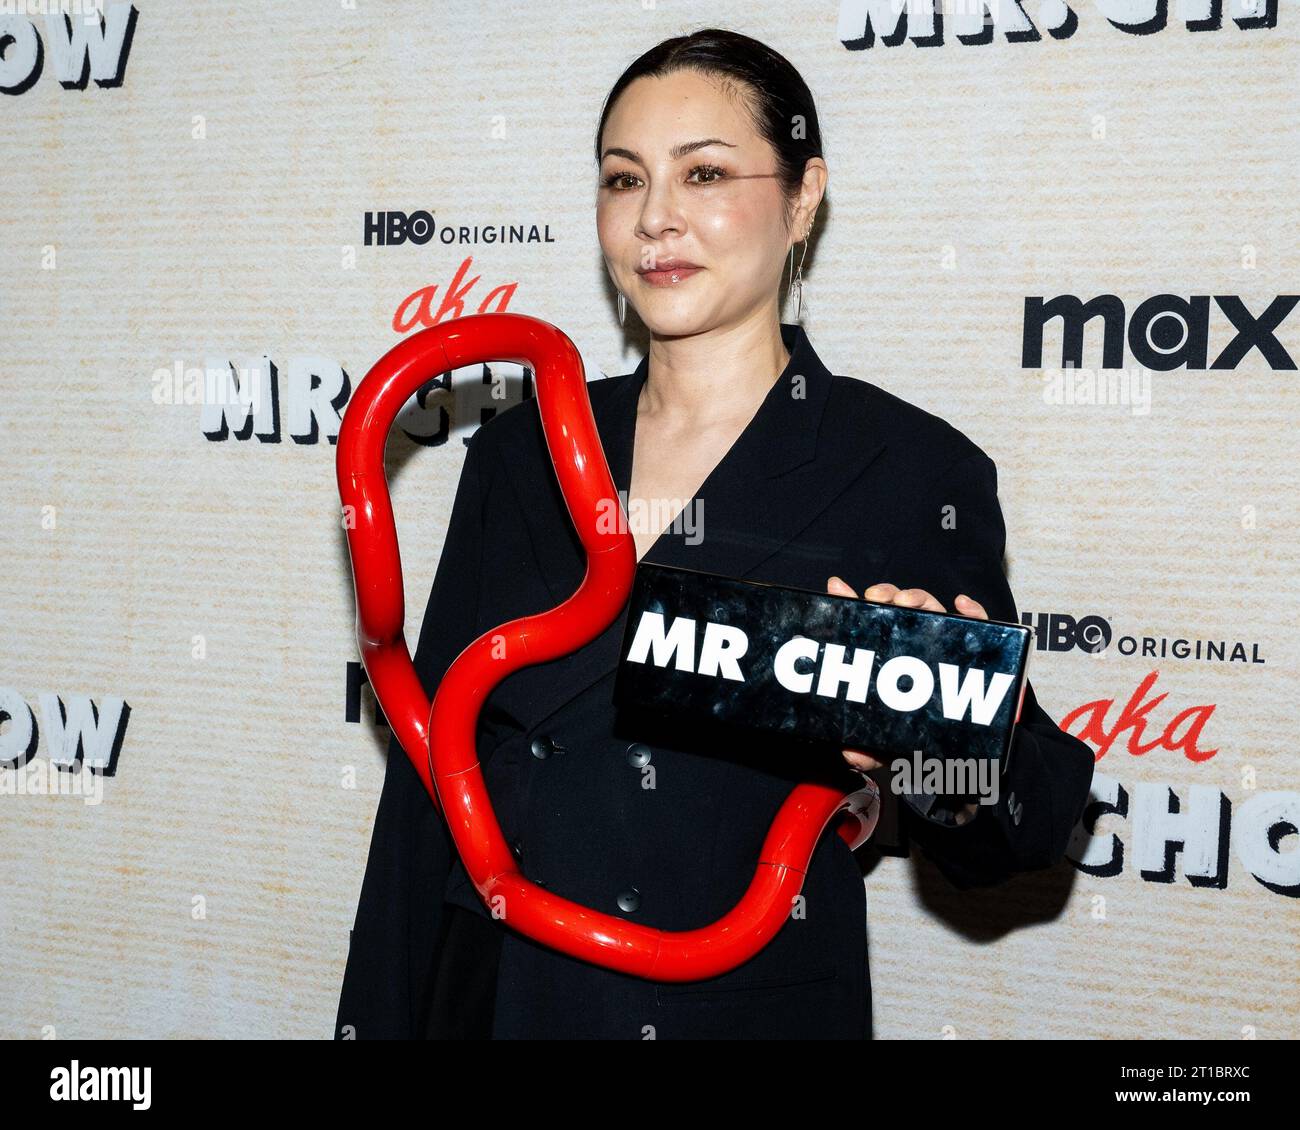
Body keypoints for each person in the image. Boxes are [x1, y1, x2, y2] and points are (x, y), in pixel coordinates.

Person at [335, 26, 1095, 1041]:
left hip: (735, 1011)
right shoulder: (518, 455)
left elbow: (1021, 820)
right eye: (622, 179)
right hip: (493, 998)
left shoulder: (909, 471)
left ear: (803, 195)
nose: (655, 218)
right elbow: (429, 788)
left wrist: (933, 749)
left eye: (704, 173)